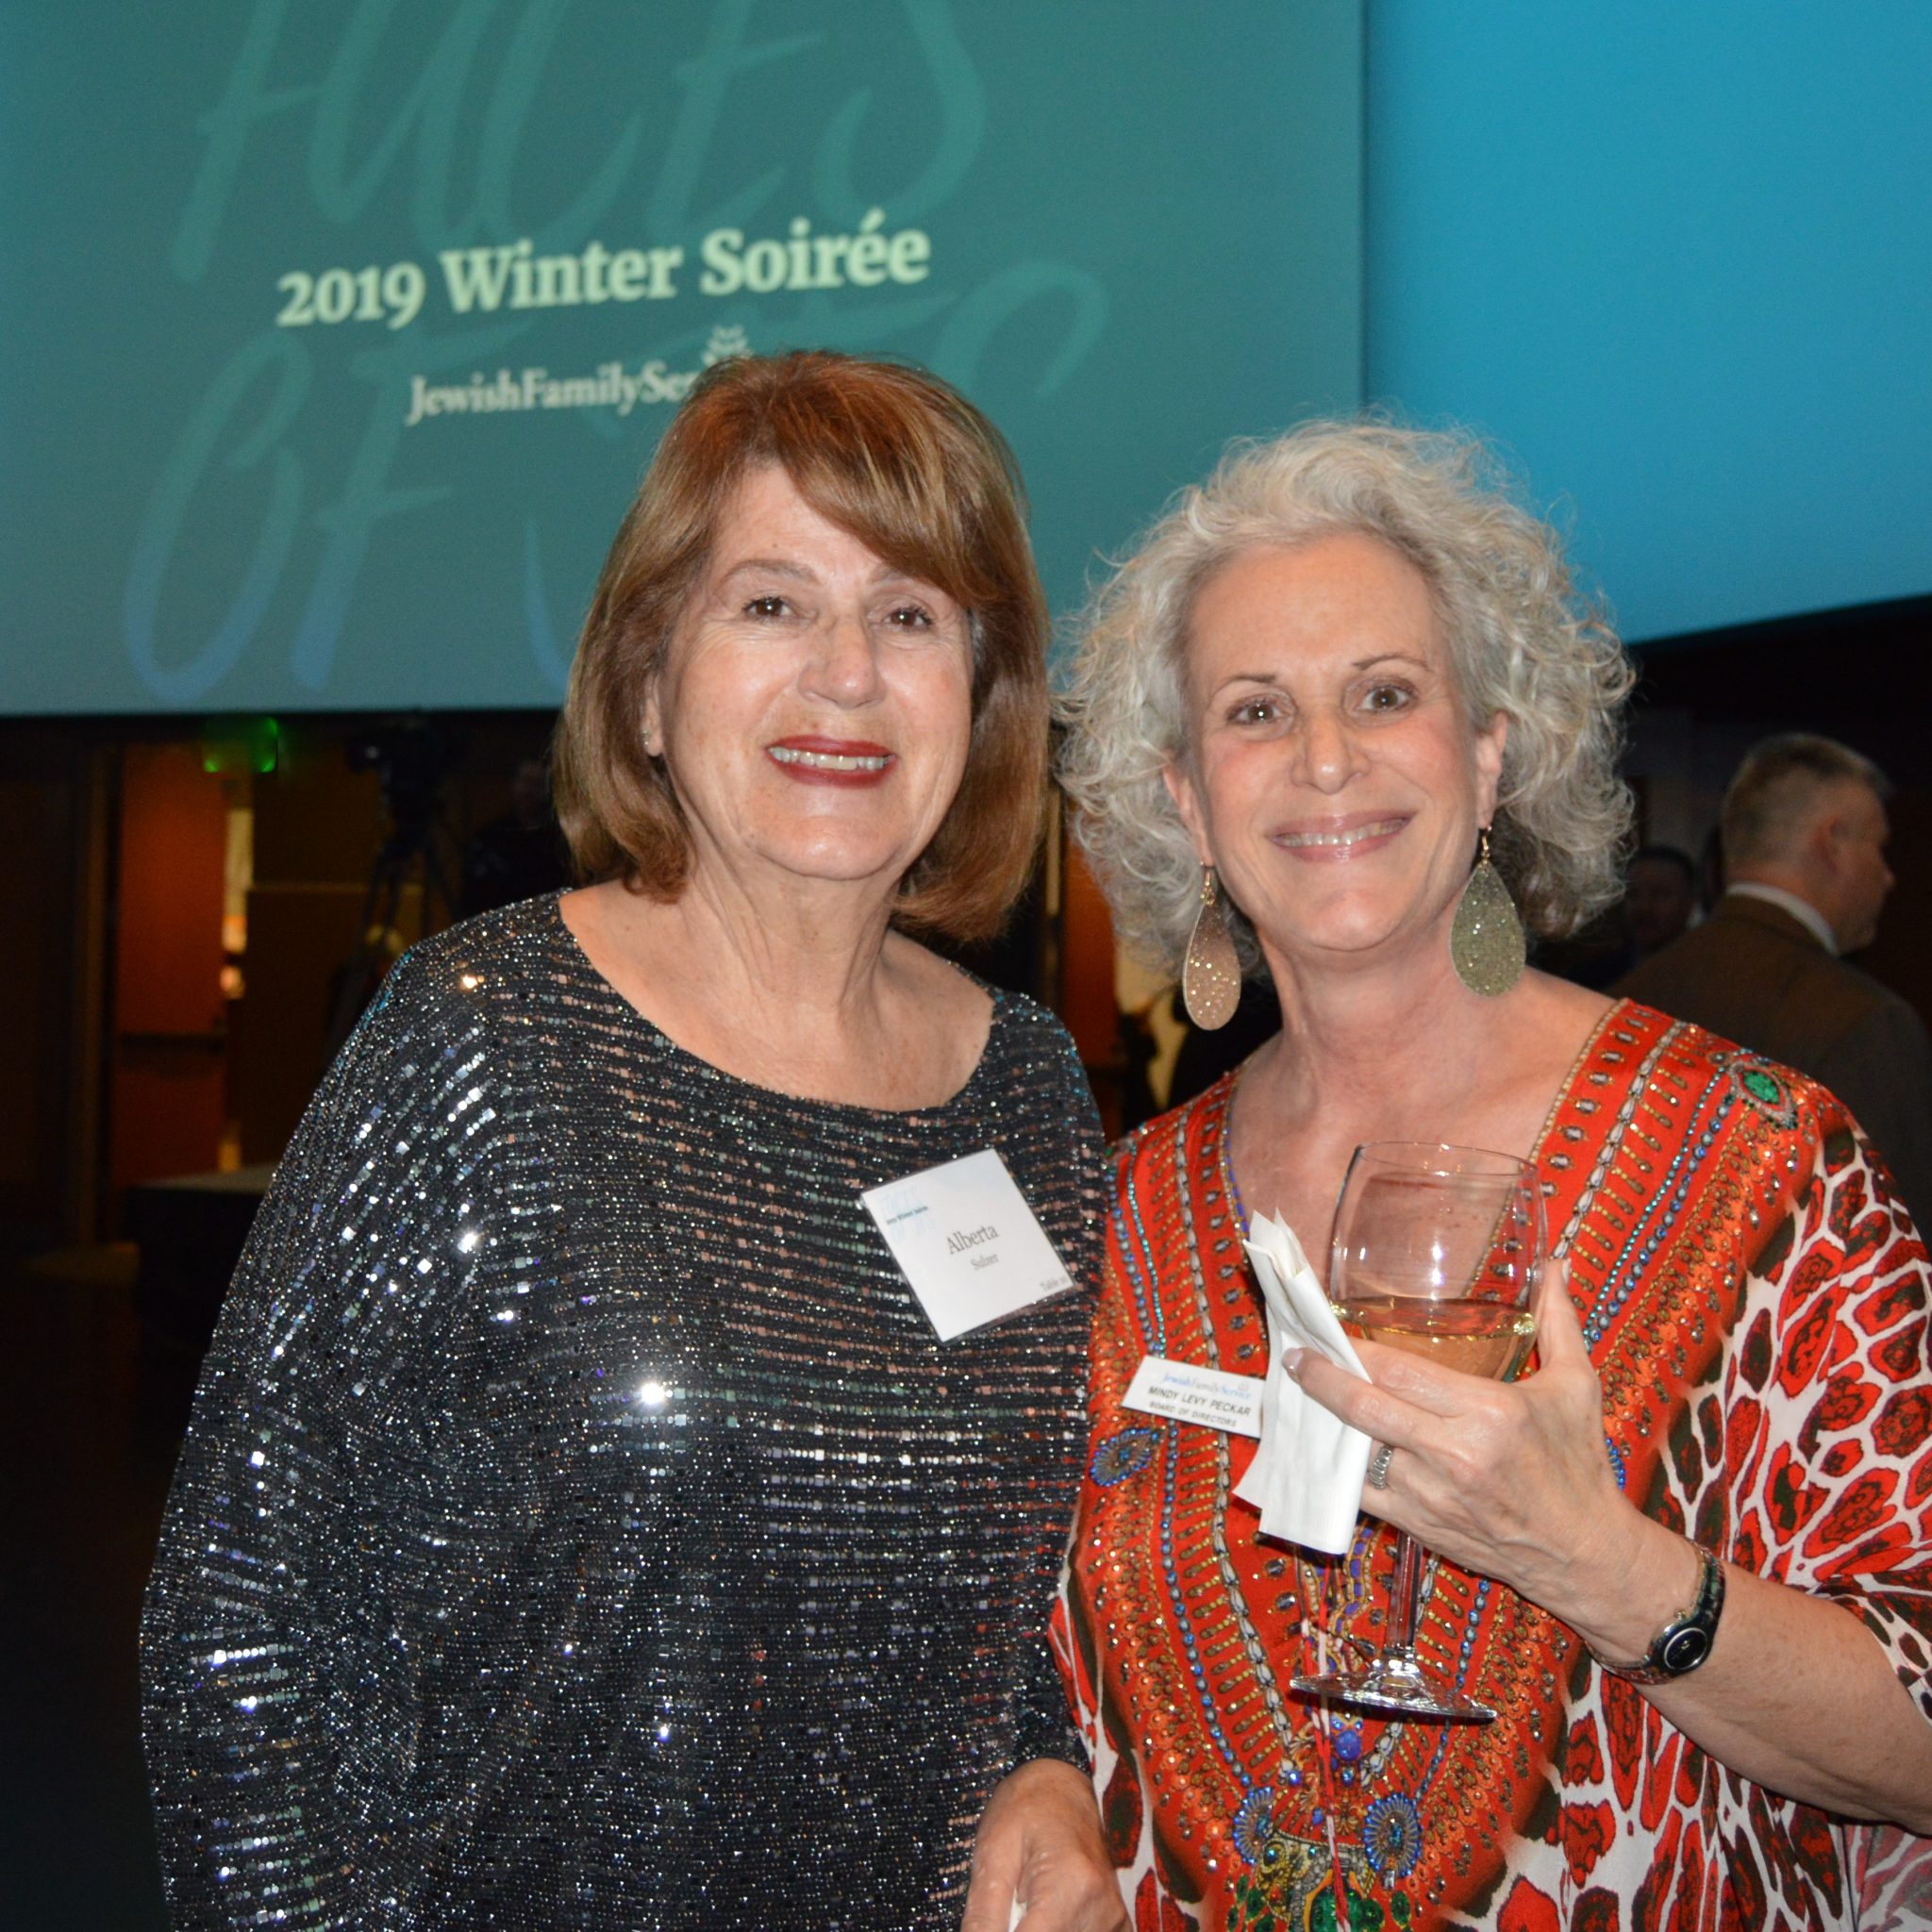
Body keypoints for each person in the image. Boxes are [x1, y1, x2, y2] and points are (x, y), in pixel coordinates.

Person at [142, 352, 1124, 1930]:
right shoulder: (483, 1034)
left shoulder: (1023, 1085)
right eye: (769, 604)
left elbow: (1005, 1584)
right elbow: (240, 1620)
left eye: (910, 614)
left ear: (982, 701)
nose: (848, 674)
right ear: (650, 686)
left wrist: (1042, 1762)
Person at [1050, 423, 1932, 1928]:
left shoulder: (1768, 1164)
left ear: (1490, 751)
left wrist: (1607, 1569)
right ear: (1187, 798)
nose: (1326, 761)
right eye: (1255, 712)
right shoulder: (1118, 1215)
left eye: (1386, 695)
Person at [1619, 735, 1932, 1232]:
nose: (1888, 876)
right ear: (1833, 842)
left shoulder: (1626, 996)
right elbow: (1900, 1257)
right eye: (1879, 846)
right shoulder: (1864, 1022)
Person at [1623, 841, 1698, 959]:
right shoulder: (1600, 973)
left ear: (1689, 902)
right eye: (1633, 894)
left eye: (1660, 895)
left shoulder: (1711, 970)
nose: (1643, 907)